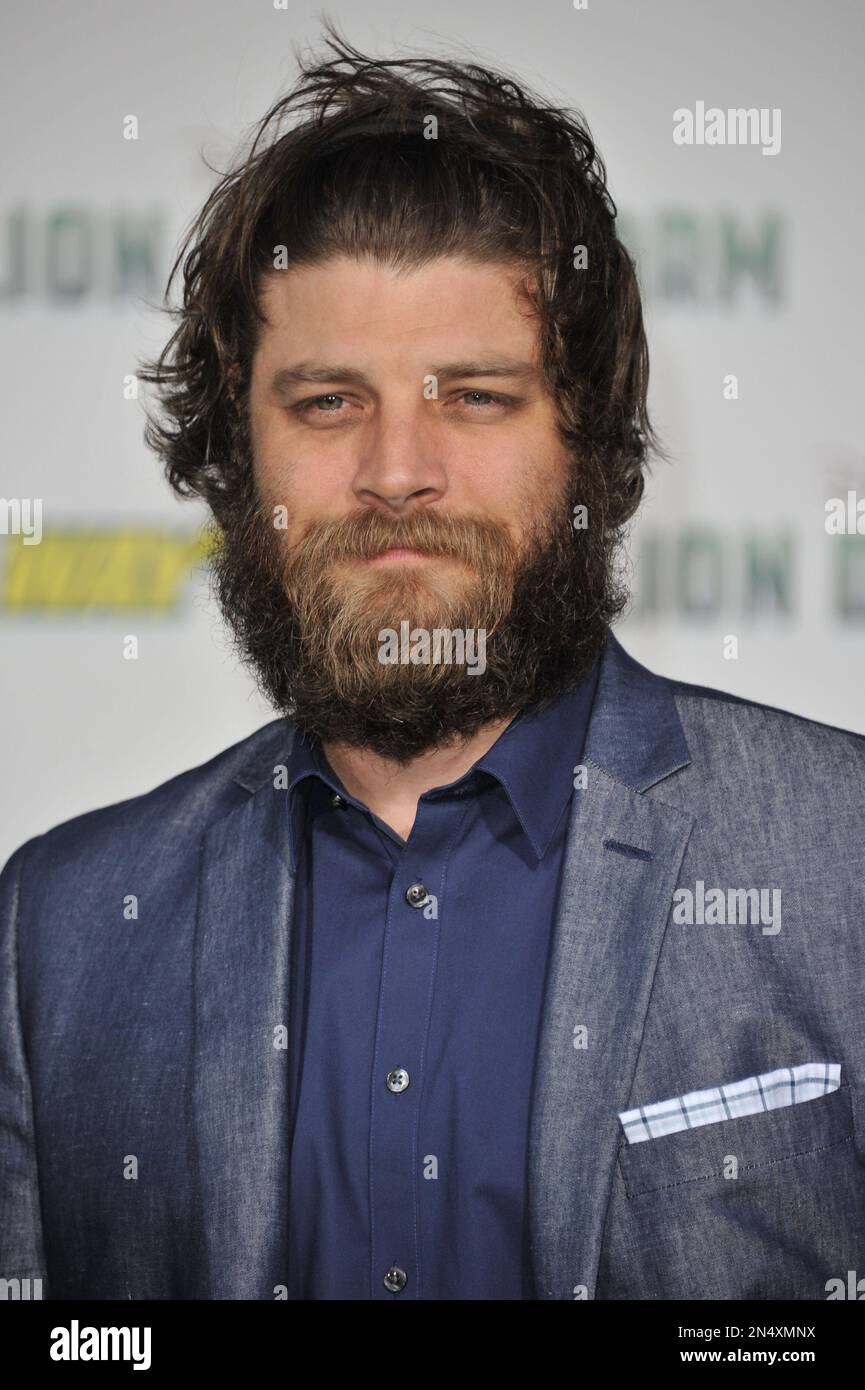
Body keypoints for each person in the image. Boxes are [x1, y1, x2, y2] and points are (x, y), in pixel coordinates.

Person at [2, 24, 864, 1302]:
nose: (396, 470)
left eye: (473, 394)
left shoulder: (839, 854)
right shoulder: (62, 930)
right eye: (327, 402)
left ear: (589, 442)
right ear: (237, 461)